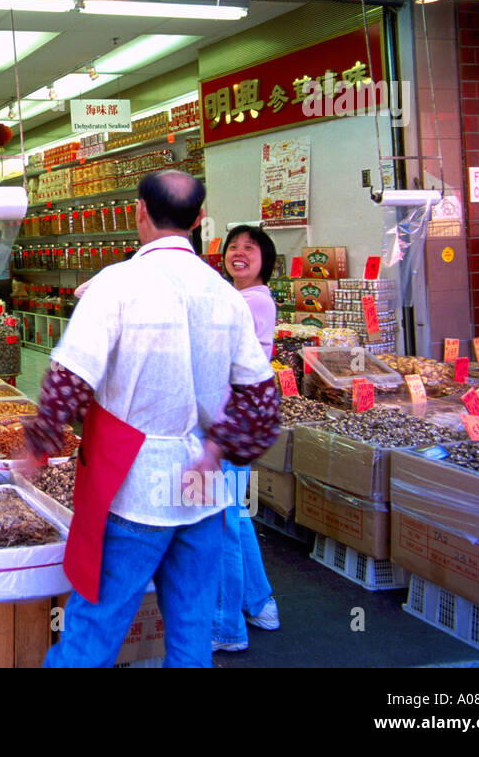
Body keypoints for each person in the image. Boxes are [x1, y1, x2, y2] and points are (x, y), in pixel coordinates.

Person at [25, 170, 279, 668]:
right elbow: (262, 401)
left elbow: (69, 381)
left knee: (93, 631)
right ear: (200, 220)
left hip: (135, 483)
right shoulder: (225, 294)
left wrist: (37, 446)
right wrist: (215, 448)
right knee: (190, 634)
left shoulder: (117, 284)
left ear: (138, 210)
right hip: (202, 485)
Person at [213, 225, 282, 653]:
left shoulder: (249, 302)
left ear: (265, 260)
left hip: (226, 423)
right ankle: (260, 603)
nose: (239, 253)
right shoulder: (243, 298)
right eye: (233, 247)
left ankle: (226, 628)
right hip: (239, 422)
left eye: (249, 249)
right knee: (236, 515)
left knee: (222, 522)